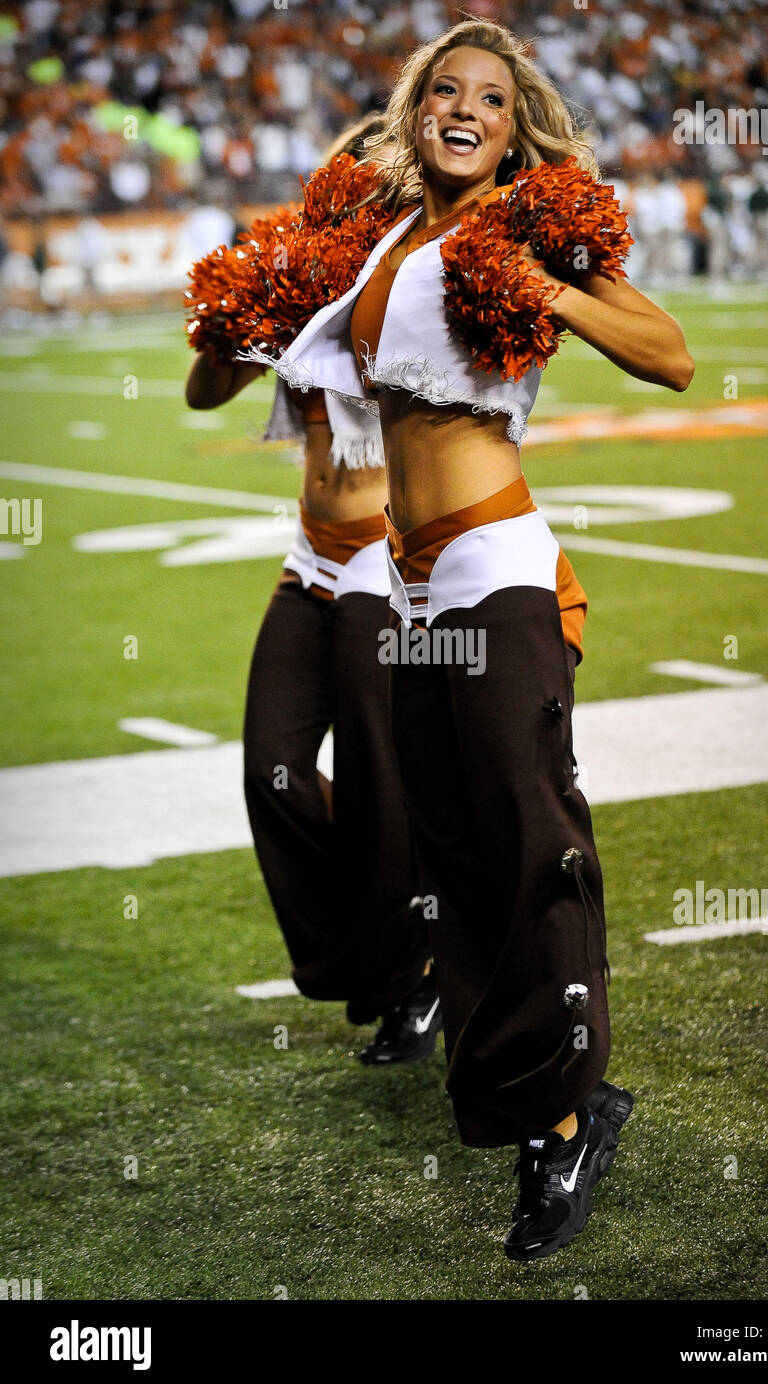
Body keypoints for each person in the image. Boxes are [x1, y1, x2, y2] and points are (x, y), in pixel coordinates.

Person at [246, 18, 693, 1262]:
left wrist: (550, 284)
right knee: (448, 844)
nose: (462, 109)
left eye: (488, 100)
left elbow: (672, 357)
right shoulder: (391, 236)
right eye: (444, 90)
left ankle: (565, 1111)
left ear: (513, 126)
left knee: (523, 827)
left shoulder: (531, 222)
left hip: (497, 566)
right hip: (410, 579)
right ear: (416, 109)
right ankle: (527, 1091)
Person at [185, 114, 442, 1066]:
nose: (357, 195)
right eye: (346, 180)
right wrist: (242, 320)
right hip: (310, 559)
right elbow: (201, 396)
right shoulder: (304, 283)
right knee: (274, 769)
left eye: (376, 183)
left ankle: (408, 976)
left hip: (389, 562)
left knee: (380, 787)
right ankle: (383, 952)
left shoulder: (424, 279)